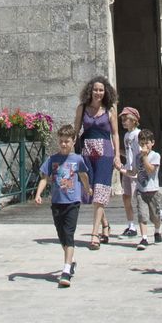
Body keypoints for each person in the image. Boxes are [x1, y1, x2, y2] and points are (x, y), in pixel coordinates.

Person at [35, 123, 93, 287]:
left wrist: (88, 189)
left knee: (68, 234)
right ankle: (72, 261)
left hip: (72, 202)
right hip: (56, 202)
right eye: (61, 141)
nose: (63, 144)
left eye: (67, 141)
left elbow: (83, 175)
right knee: (61, 235)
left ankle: (66, 270)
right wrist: (38, 194)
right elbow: (45, 178)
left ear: (73, 141)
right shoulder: (52, 160)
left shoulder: (77, 159)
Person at [73, 75, 123, 249]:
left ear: (106, 92)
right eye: (95, 89)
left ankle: (94, 234)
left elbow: (115, 134)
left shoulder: (110, 111)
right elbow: (76, 130)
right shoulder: (82, 108)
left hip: (105, 155)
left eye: (101, 90)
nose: (98, 93)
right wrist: (69, 152)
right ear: (90, 90)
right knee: (92, 192)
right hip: (87, 153)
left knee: (101, 191)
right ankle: (106, 224)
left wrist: (117, 155)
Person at [134, 128, 162, 248]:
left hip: (153, 191)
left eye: (147, 143)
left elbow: (150, 170)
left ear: (152, 143)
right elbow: (135, 171)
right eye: (142, 143)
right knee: (142, 214)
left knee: (154, 216)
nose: (144, 146)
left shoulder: (156, 156)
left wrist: (144, 157)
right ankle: (144, 238)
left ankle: (157, 230)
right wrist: (122, 169)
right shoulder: (137, 157)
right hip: (141, 190)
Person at [118, 106, 141, 236]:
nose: (123, 121)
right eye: (122, 119)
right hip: (128, 169)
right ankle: (131, 225)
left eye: (126, 118)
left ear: (133, 120)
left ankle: (161, 215)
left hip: (136, 171)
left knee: (141, 200)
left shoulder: (138, 135)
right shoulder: (126, 135)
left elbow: (139, 154)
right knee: (126, 197)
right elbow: (129, 153)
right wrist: (117, 153)